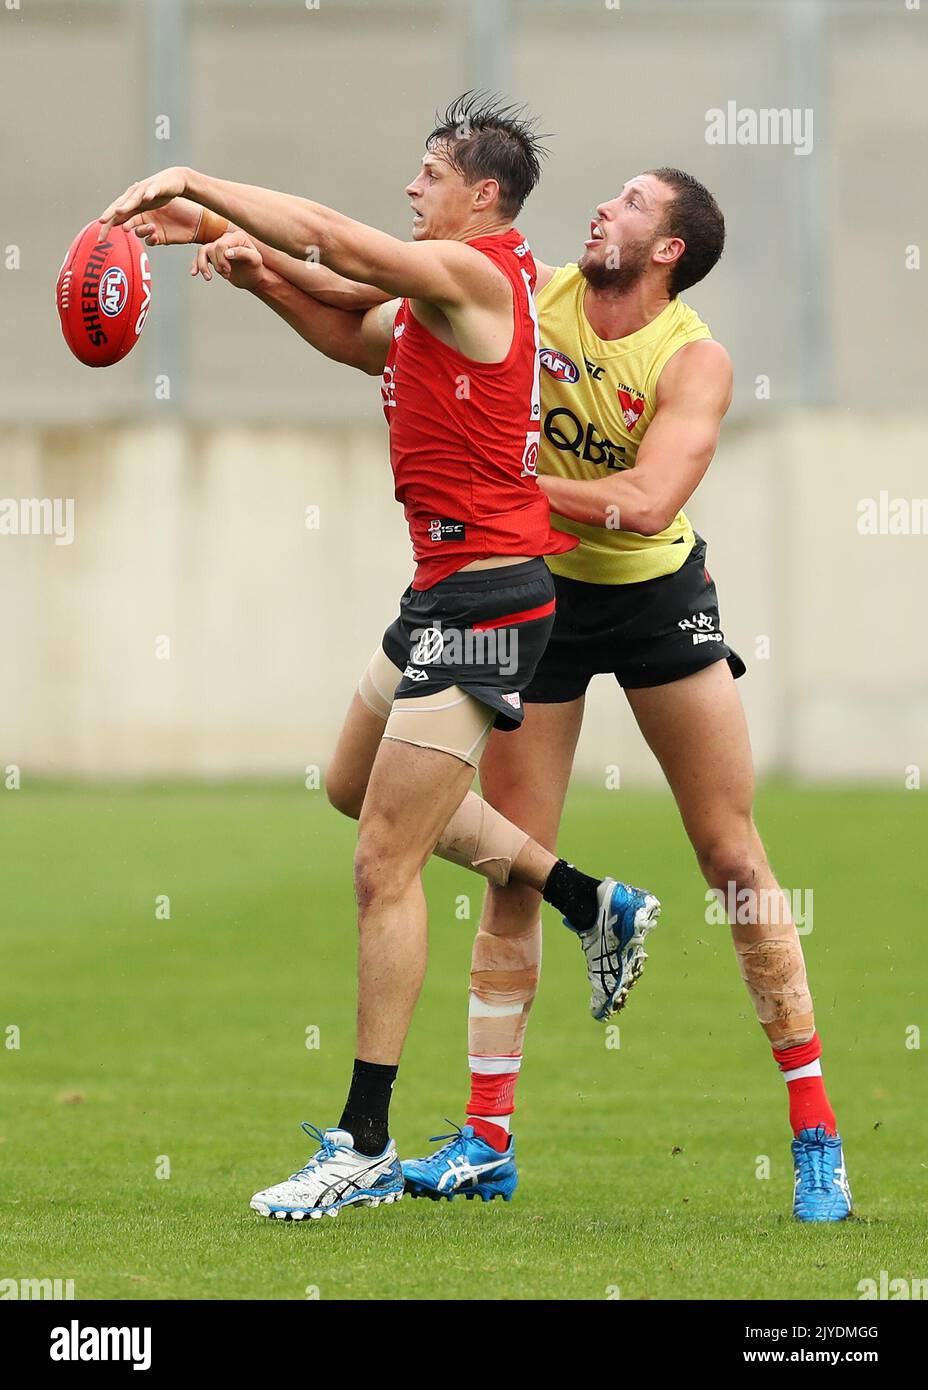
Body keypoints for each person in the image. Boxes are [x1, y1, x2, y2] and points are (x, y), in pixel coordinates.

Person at [190, 161, 852, 1224]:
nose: (605, 207)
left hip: (651, 597)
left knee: (731, 852)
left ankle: (814, 1129)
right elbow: (370, 329)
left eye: (634, 204)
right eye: (611, 196)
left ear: (670, 250)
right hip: (532, 590)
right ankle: (488, 1139)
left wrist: (497, 480)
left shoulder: (693, 360)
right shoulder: (525, 293)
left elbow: (642, 502)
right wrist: (260, 271)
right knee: (507, 860)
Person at [98, 95, 660, 1221]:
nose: (413, 190)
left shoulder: (484, 276)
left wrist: (196, 179)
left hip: (491, 596)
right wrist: (250, 272)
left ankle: (362, 1140)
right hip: (439, 589)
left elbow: (333, 241)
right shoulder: (437, 297)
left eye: (429, 174)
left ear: (482, 195)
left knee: (380, 864)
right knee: (352, 786)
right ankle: (590, 896)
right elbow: (358, 333)